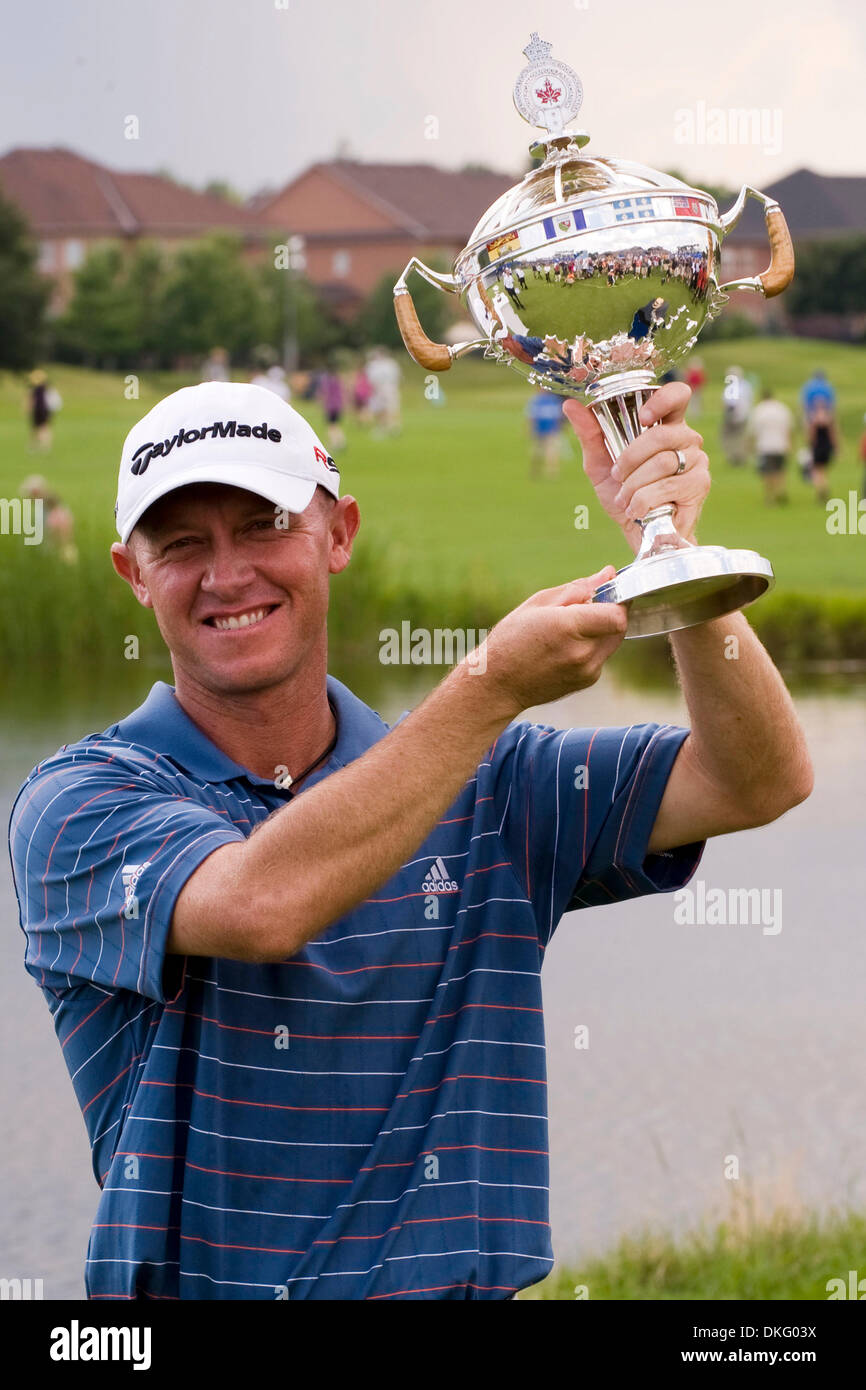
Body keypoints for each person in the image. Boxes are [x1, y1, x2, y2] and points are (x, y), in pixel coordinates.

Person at [8, 380, 812, 1302]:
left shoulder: (491, 782)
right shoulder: (75, 803)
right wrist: (488, 686)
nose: (227, 575)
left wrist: (676, 561)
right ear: (132, 573)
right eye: (182, 543)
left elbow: (758, 779)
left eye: (266, 524)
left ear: (339, 534)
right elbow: (262, 903)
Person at [748, 389, 793, 505]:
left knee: (767, 473)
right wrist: (790, 444)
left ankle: (770, 497)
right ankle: (780, 491)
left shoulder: (759, 410)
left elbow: (753, 431)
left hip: (765, 446)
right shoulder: (782, 409)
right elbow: (788, 429)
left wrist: (751, 446)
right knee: (780, 471)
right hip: (781, 445)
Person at [19, 474, 78, 562]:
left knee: (59, 547)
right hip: (58, 527)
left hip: (54, 530)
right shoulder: (52, 504)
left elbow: (45, 526)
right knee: (65, 546)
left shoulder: (42, 507)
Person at [526, 389, 565, 480]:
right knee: (537, 451)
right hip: (539, 429)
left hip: (551, 429)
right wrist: (530, 428)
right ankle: (535, 470)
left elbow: (558, 416)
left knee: (552, 452)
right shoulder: (536, 400)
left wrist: (558, 427)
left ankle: (552, 472)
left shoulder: (553, 400)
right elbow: (531, 416)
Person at [720, 366, 753, 467]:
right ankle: (741, 456)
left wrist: (729, 415)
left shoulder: (732, 387)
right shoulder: (746, 385)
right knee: (741, 436)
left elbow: (731, 404)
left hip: (734, 416)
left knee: (729, 437)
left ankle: (734, 457)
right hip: (745, 415)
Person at [365, 346, 402, 436]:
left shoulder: (390, 364)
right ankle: (383, 427)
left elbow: (397, 376)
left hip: (389, 387)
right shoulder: (373, 365)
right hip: (378, 389)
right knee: (379, 409)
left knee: (391, 408)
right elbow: (369, 378)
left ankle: (393, 426)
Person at [808, 401, 838, 504]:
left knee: (816, 471)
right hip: (826, 447)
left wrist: (810, 445)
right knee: (824, 471)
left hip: (817, 447)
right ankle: (825, 487)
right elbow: (832, 435)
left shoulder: (814, 419)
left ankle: (820, 490)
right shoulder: (829, 419)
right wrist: (835, 447)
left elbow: (812, 435)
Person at [27, 369, 58, 451]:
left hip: (38, 410)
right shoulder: (47, 388)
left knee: (37, 428)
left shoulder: (34, 389)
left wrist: (28, 409)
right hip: (46, 410)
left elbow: (31, 401)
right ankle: (45, 446)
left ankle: (37, 446)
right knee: (44, 427)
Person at [317, 366, 347, 452]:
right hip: (338, 405)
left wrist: (321, 403)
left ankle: (335, 443)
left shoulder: (328, 382)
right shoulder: (338, 382)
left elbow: (324, 393)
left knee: (331, 426)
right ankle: (340, 442)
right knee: (335, 425)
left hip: (331, 406)